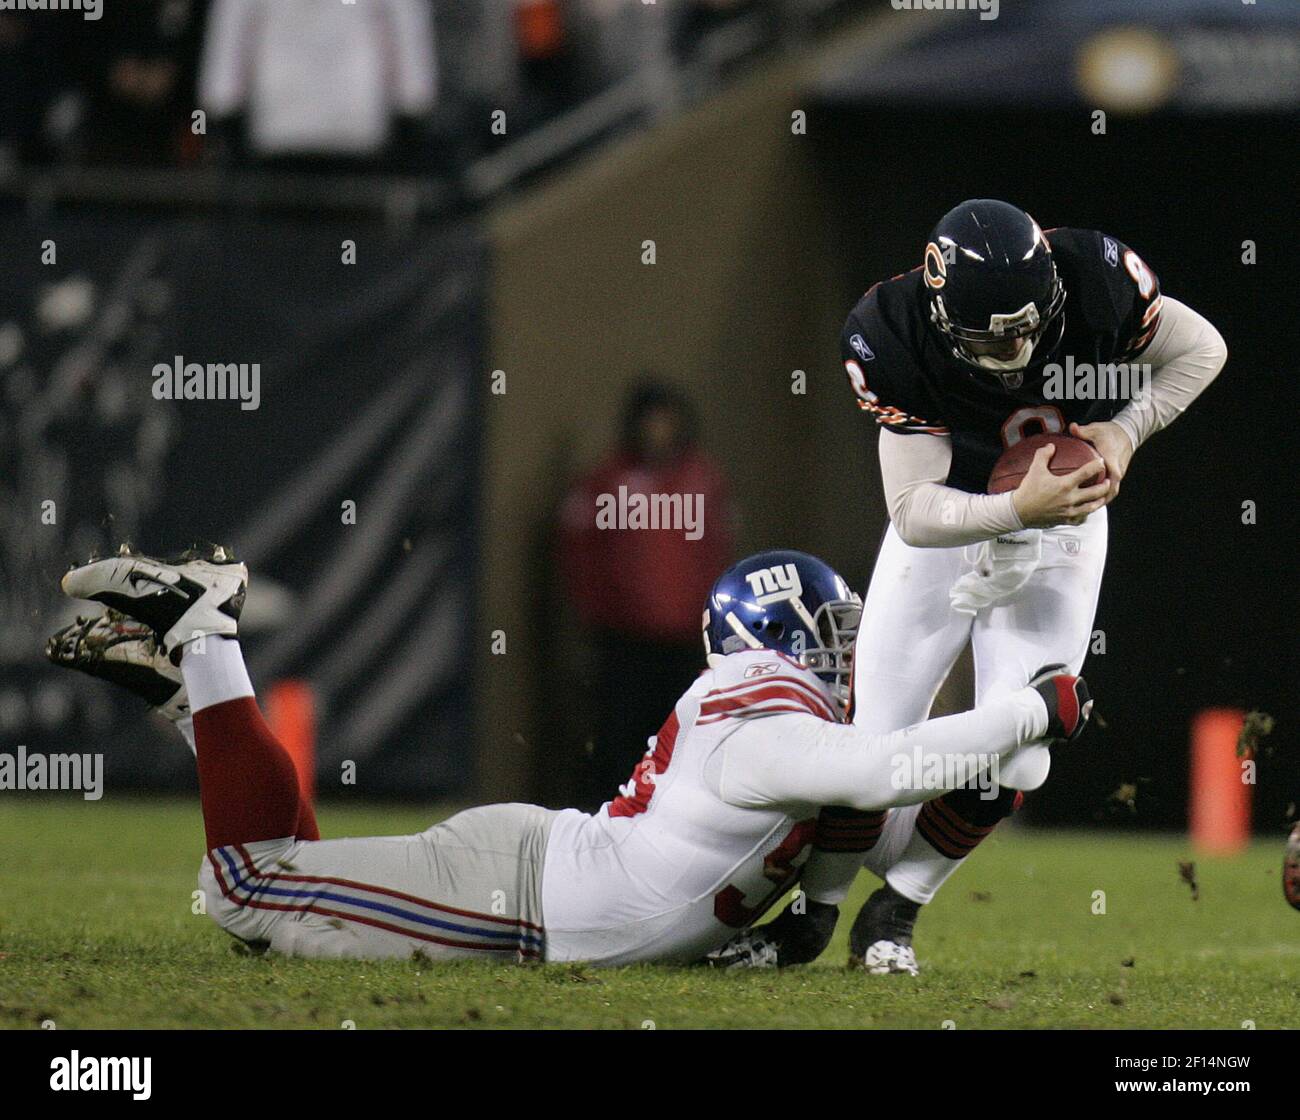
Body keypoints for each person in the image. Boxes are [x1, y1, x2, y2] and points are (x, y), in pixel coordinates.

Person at [48, 543, 1089, 964]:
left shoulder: (787, 712)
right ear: (793, 632)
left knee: (275, 894)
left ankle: (198, 702)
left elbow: (868, 804)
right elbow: (877, 774)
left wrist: (816, 920)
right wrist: (1027, 712)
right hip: (521, 896)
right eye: (834, 626)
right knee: (242, 892)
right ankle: (206, 633)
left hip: (541, 885)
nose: (849, 644)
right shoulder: (757, 710)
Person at [726, 199, 1226, 976]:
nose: (1021, 348)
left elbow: (1204, 349)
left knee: (1025, 749)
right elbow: (915, 513)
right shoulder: (891, 329)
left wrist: (1126, 430)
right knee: (871, 743)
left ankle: (897, 909)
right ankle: (812, 913)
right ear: (942, 313)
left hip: (1061, 526)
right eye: (997, 336)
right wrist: (1012, 507)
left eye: (1031, 325)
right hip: (956, 522)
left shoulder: (1096, 280)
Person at [558, 380, 733, 808]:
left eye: (666, 420)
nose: (659, 431)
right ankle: (611, 814)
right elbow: (581, 555)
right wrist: (594, 617)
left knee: (681, 736)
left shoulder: (701, 480)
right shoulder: (608, 480)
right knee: (618, 737)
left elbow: (716, 551)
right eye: (651, 420)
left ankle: (672, 814)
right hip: (624, 641)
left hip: (683, 642)